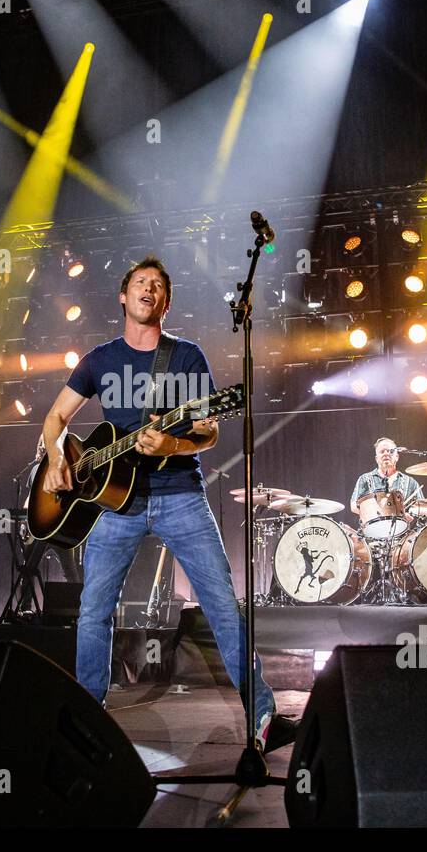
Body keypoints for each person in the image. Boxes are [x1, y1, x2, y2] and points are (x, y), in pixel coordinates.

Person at [40, 256, 294, 753]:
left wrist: (173, 446)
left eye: (157, 285)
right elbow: (54, 419)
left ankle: (262, 716)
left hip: (180, 496)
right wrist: (54, 458)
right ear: (123, 295)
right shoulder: (99, 360)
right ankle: (87, 718)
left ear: (165, 302)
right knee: (94, 612)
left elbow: (209, 428)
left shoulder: (185, 356)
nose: (148, 289)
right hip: (116, 504)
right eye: (140, 282)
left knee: (222, 605)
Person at [350, 437, 424, 522]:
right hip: (373, 530)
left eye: (390, 451)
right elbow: (353, 505)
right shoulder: (365, 479)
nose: (386, 454)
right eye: (382, 452)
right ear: (376, 459)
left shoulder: (410, 482)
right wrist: (375, 514)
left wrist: (410, 512)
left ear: (397, 457)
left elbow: (425, 509)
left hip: (403, 532)